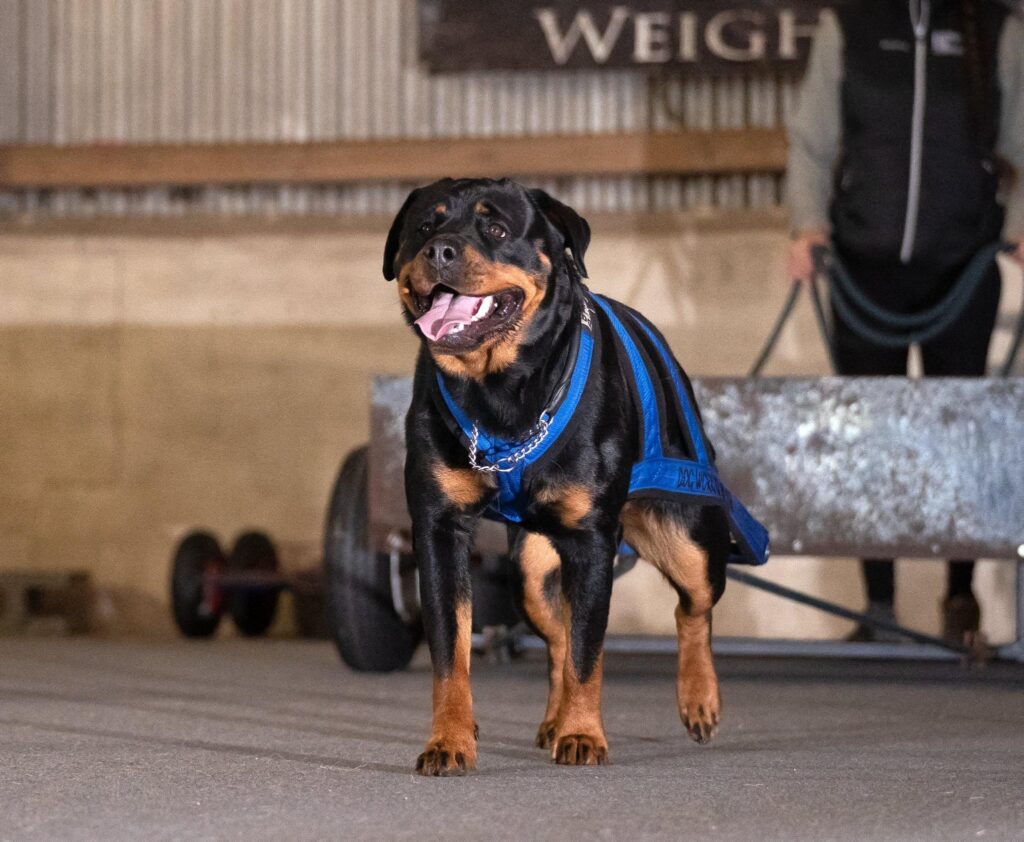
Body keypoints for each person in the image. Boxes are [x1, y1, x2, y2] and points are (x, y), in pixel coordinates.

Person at [787, 0, 1024, 643]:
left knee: (962, 435)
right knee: (870, 435)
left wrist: (1019, 224)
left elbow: (1021, 141)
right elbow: (813, 137)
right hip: (865, 265)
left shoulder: (998, 30)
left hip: (963, 263)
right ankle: (880, 607)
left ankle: (960, 596)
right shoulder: (850, 25)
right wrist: (807, 223)